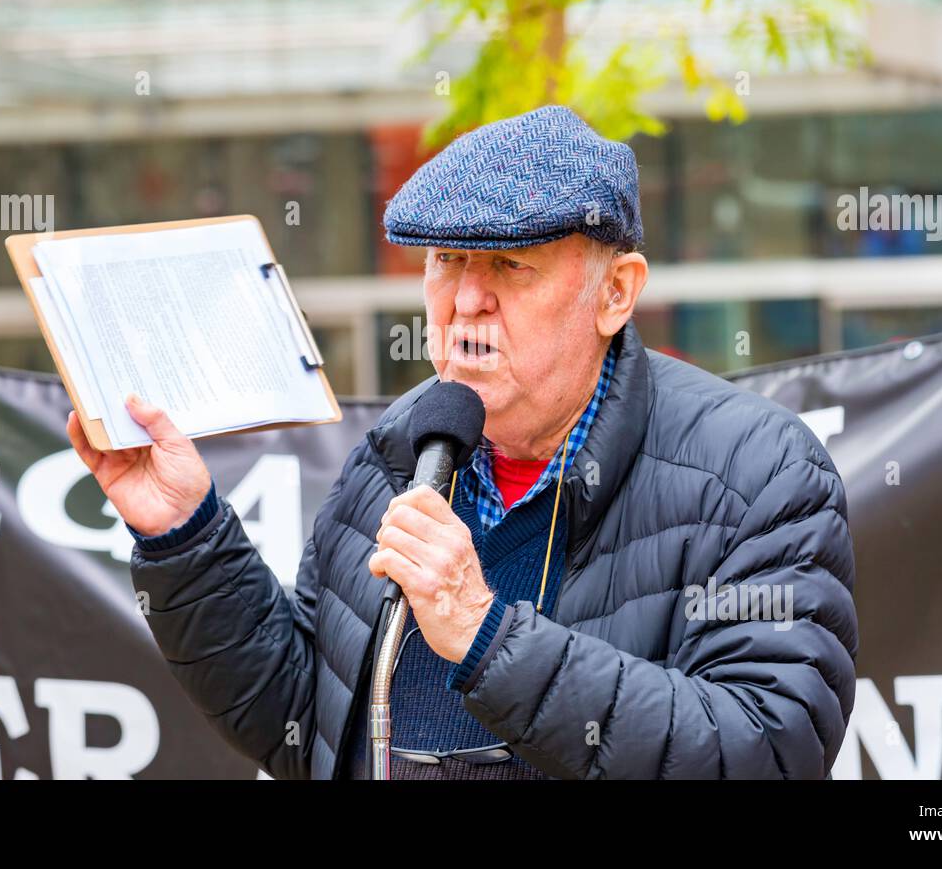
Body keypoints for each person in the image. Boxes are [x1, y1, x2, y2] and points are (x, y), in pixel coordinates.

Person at [67, 105, 858, 779]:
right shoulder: (397, 452)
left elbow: (769, 743)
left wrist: (485, 635)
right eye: (447, 260)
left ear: (615, 293)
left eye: (511, 264)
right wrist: (185, 531)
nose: (467, 300)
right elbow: (303, 720)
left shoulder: (757, 469)